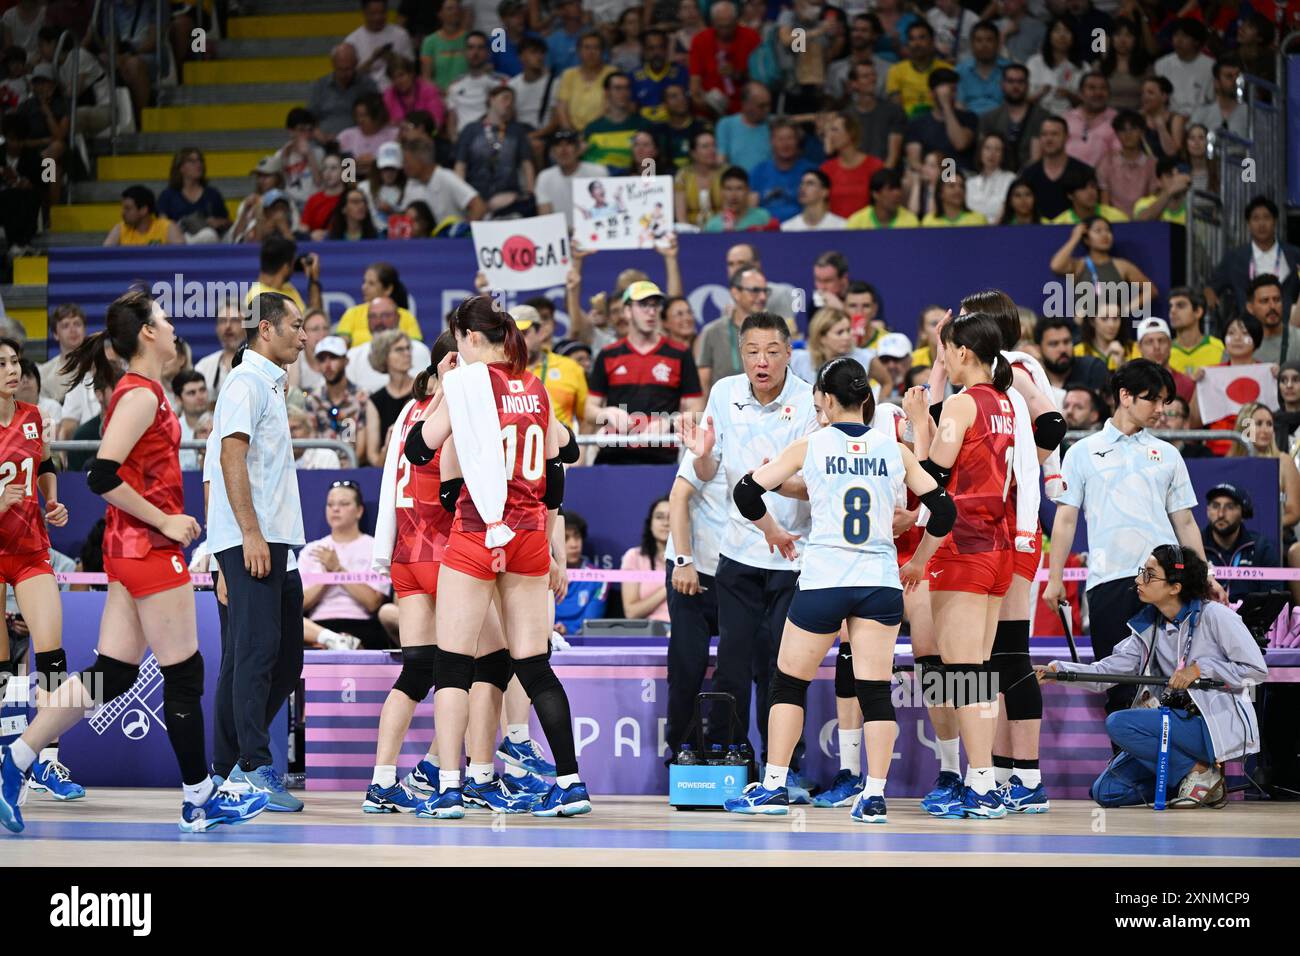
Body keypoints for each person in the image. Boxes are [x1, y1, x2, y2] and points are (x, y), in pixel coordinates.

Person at [0, 293, 268, 836]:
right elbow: (101, 475)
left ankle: (16, 762)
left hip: (132, 548)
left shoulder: (147, 392)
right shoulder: (139, 396)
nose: (173, 328)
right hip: (146, 548)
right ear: (147, 333)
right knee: (184, 672)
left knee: (113, 674)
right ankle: (199, 800)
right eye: (165, 321)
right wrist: (166, 521)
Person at [723, 356, 956, 820]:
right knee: (874, 692)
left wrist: (773, 532)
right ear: (867, 399)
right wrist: (917, 562)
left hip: (825, 579)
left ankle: (772, 786)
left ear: (827, 401)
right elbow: (944, 509)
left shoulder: (810, 444)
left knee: (788, 684)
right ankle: (873, 795)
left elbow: (746, 491)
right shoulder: (896, 449)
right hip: (878, 582)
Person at [405, 295, 590, 818]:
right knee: (532, 665)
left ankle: (447, 790)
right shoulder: (535, 387)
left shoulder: (465, 384)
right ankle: (571, 782)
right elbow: (563, 458)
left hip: (477, 531)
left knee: (454, 664)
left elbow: (420, 448)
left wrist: (442, 392)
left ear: (466, 338)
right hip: (529, 533)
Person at [1044, 360, 1226, 720]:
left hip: (1167, 584)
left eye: (1164, 401)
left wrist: (1204, 575)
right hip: (1108, 582)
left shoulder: (1168, 454)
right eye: (1152, 400)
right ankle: (1127, 775)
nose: (1161, 409)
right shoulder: (1081, 451)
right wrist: (1054, 580)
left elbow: (1185, 521)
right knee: (1118, 687)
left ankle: (1170, 775)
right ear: (1124, 396)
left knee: (1169, 686)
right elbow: (1065, 519)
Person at [681, 312, 819, 781]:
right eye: (753, 352)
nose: (762, 362)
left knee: (784, 669)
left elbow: (812, 485)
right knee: (733, 669)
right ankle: (729, 760)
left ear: (789, 354)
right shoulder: (722, 392)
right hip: (736, 554)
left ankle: (787, 770)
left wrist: (771, 482)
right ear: (741, 353)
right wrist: (701, 455)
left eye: (773, 352)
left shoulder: (808, 401)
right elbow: (706, 474)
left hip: (793, 558)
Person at [1039, 546, 1266, 809]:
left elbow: (1255, 669)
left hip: (1210, 725)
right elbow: (1106, 673)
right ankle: (1191, 779)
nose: (1138, 581)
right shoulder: (1147, 626)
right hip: (1172, 724)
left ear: (1175, 587)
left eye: (1149, 574)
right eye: (1141, 573)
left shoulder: (1216, 615)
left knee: (1118, 723)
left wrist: (1201, 669)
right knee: (1107, 792)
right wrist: (1058, 672)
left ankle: (1200, 772)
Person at [903, 311, 1016, 818]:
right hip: (999, 550)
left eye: (946, 351)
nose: (943, 360)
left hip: (963, 548)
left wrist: (916, 427)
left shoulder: (964, 404)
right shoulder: (1005, 402)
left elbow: (931, 475)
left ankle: (985, 787)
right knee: (976, 675)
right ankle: (980, 781)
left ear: (963, 353)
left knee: (964, 675)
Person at [207, 292, 308, 811]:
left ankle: (228, 765)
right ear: (265, 329)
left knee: (287, 658)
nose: (304, 335)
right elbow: (229, 457)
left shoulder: (266, 383)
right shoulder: (245, 384)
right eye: (296, 325)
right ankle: (249, 766)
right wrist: (247, 534)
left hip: (278, 541)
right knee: (256, 652)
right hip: (255, 538)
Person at [0, 336, 81, 803]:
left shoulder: (31, 418)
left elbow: (45, 464)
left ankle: (45, 761)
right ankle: (6, 756)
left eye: (15, 361)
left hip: (32, 550)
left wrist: (50, 499)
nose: (13, 370)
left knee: (50, 655)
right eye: (3, 363)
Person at [587, 281, 703, 465]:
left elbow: (697, 408)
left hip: (663, 455)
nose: (651, 311)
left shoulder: (679, 353)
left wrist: (670, 422)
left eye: (655, 305)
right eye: (643, 305)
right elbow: (589, 410)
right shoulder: (608, 354)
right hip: (615, 454)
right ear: (627, 311)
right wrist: (607, 413)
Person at [664, 448, 727, 759]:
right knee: (687, 664)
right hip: (691, 567)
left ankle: (723, 747)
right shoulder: (710, 443)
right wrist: (683, 560)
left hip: (738, 569)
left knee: (733, 669)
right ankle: (681, 750)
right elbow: (678, 497)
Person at [300, 480, 392, 651]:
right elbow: (300, 603)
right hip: (316, 627)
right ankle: (335, 640)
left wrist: (338, 570)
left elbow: (373, 602)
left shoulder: (375, 548)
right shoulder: (311, 550)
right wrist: (328, 577)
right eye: (330, 504)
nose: (335, 509)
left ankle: (337, 642)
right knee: (288, 619)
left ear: (359, 511)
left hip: (361, 624)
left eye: (344, 504)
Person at [1207, 197, 1300, 322]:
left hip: (1288, 329)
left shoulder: (1294, 255)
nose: (1261, 224)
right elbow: (1212, 287)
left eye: (1266, 217)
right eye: (1255, 218)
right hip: (1249, 330)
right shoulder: (1234, 258)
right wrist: (1209, 295)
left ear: (1275, 221)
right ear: (1248, 224)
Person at [1049, 217, 1155, 316]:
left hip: (1112, 327)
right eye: (1098, 231)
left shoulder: (1122, 265)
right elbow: (1056, 266)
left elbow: (1150, 290)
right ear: (1086, 239)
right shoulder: (1079, 265)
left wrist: (1124, 311)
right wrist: (1075, 238)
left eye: (1108, 230)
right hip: (1084, 330)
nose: (1104, 235)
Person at [1200, 484, 1280, 601]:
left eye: (1230, 507)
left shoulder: (1262, 548)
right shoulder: (1195, 546)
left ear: (1243, 513)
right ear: (1207, 510)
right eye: (1215, 506)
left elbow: (1274, 599)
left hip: (1250, 617)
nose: (1221, 514)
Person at [1228, 403, 1300, 531]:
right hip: (1234, 536)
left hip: (1276, 536)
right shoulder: (1229, 463)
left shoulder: (1284, 461)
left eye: (1269, 424)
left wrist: (1265, 527)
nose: (1265, 430)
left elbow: (1294, 513)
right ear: (1243, 428)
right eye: (1259, 423)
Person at [346, 297, 433, 396]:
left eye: (385, 315)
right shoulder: (353, 355)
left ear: (398, 317)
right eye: (373, 316)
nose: (378, 322)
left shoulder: (419, 351)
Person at [688, 1, 760, 118]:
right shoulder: (700, 40)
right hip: (709, 110)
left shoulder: (751, 37)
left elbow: (760, 80)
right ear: (712, 23)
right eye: (720, 26)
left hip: (745, 109)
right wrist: (709, 107)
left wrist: (737, 75)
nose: (725, 30)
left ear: (736, 21)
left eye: (729, 26)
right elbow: (695, 85)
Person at [1016, 115, 1093, 221]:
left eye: (1054, 134)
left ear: (1066, 137)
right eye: (1044, 134)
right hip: (1037, 233)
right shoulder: (1028, 174)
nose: (1049, 139)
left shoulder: (1084, 171)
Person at [977, 63, 1049, 170]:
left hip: (1030, 178)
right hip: (997, 177)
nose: (1015, 86)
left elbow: (1038, 158)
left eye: (1020, 82)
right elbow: (982, 156)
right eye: (1010, 81)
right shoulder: (989, 119)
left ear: (1027, 85)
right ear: (1002, 84)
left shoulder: (1042, 117)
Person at [398, 137, 486, 224]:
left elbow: (479, 207)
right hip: (423, 237)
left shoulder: (446, 177)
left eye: (406, 161)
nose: (403, 166)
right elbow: (404, 217)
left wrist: (464, 232)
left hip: (449, 236)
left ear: (420, 160)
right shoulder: (411, 183)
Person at [902, 68, 977, 170]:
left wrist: (946, 106)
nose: (950, 95)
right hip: (932, 178)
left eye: (953, 90)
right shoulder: (917, 124)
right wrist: (937, 178)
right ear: (932, 93)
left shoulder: (969, 118)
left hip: (962, 178)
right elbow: (915, 163)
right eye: (945, 92)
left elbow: (960, 144)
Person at [157, 148, 230, 244]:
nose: (198, 164)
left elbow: (228, 222)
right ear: (181, 168)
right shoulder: (168, 195)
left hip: (210, 240)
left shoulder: (212, 194)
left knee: (209, 235)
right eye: (192, 161)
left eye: (200, 160)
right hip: (180, 241)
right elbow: (163, 225)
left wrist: (217, 222)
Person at [581, 71, 650, 172]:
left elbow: (653, 161)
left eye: (627, 88)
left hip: (634, 183)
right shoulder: (592, 128)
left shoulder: (643, 125)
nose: (623, 93)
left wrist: (647, 180)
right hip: (600, 185)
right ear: (607, 92)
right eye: (618, 88)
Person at [820, 110, 883, 220]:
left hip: (865, 230)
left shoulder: (874, 166)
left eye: (835, 130)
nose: (830, 136)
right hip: (835, 232)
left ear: (850, 133)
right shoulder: (826, 169)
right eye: (829, 131)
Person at [749, 119, 814, 225]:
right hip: (766, 231)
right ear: (771, 142)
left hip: (801, 231)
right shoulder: (758, 171)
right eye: (780, 139)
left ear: (798, 141)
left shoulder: (811, 171)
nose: (785, 144)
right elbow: (751, 210)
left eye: (790, 138)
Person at [310, 43, 381, 140]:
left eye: (348, 69)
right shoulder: (320, 86)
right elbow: (310, 119)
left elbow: (378, 117)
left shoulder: (368, 85)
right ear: (333, 64)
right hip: (325, 142)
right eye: (340, 69)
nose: (344, 74)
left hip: (359, 142)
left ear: (356, 64)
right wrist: (317, 133)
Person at [1098, 111, 1159, 220]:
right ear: (1116, 134)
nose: (1128, 134)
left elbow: (1152, 200)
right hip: (1114, 223)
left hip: (1144, 222)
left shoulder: (1152, 164)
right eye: (1122, 130)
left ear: (1142, 132)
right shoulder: (1107, 162)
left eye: (1133, 129)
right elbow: (1105, 206)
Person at [555, 510, 607, 635]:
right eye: (565, 538)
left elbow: (591, 620)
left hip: (583, 642)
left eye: (577, 536)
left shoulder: (600, 578)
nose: (574, 544)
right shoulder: (543, 575)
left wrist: (568, 630)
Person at [886, 20, 951, 119]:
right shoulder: (896, 71)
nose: (917, 43)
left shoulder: (947, 70)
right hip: (907, 126)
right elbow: (896, 109)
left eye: (922, 38)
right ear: (907, 44)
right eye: (912, 39)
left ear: (932, 42)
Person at [620, 496, 671, 622]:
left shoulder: (694, 559)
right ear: (650, 524)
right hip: (651, 631)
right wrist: (669, 586)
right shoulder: (634, 557)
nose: (666, 523)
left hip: (686, 629)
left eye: (672, 517)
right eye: (659, 517)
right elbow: (631, 612)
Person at [346, 0, 415, 92]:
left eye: (382, 13)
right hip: (365, 93)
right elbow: (350, 77)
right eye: (373, 14)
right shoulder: (352, 40)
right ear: (364, 13)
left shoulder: (401, 35)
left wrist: (392, 58)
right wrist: (372, 59)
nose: (377, 17)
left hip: (397, 92)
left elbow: (410, 70)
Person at [555, 30, 615, 134]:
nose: (591, 52)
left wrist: (588, 133)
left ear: (603, 51)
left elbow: (610, 108)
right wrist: (570, 132)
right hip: (571, 133)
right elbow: (562, 108)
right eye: (586, 47)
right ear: (578, 51)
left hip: (602, 132)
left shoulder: (612, 73)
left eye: (596, 48)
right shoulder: (568, 74)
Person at [1153, 17, 1214, 117]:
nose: (1178, 40)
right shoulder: (1161, 64)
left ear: (1196, 41)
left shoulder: (1211, 66)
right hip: (1169, 117)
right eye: (1176, 35)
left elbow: (1211, 101)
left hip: (1200, 119)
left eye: (1185, 36)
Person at [1025, 17, 1084, 117]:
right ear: (1049, 35)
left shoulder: (1083, 67)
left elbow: (1088, 103)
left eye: (1067, 31)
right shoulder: (1034, 62)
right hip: (1036, 116)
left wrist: (1069, 95)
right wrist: (1040, 93)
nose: (1062, 35)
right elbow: (1022, 99)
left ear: (1074, 36)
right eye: (1057, 30)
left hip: (1072, 118)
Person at [1063, 73, 1119, 169]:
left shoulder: (1117, 120)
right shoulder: (1066, 118)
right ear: (1080, 93)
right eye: (1092, 88)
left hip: (1102, 179)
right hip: (1066, 177)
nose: (1098, 93)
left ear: (1109, 93)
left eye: (1103, 88)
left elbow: (1119, 156)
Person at [194, 302, 245, 405]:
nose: (228, 326)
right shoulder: (203, 367)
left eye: (235, 320)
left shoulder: (260, 364)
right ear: (216, 328)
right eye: (222, 321)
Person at [954, 18, 1008, 116]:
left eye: (989, 40)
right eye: (979, 40)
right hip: (968, 123)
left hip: (1001, 123)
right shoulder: (960, 70)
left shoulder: (1009, 70)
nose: (984, 45)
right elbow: (959, 105)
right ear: (971, 44)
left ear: (998, 44)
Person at [715, 82, 772, 173]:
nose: (767, 109)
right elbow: (721, 160)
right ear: (745, 104)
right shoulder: (726, 124)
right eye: (762, 106)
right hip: (736, 182)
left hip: (766, 184)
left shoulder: (772, 124)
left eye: (768, 105)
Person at [673, 128, 724, 228]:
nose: (712, 150)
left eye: (714, 146)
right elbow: (681, 217)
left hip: (721, 231)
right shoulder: (683, 176)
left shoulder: (725, 174)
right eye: (705, 146)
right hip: (691, 234)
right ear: (693, 153)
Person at [1166, 287, 1222, 376]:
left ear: (1198, 312)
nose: (1172, 311)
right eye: (1171, 306)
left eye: (1180, 306)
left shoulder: (1219, 348)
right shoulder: (1165, 351)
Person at [1136, 317, 1194, 402]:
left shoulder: (1186, 384)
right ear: (1139, 347)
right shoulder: (1131, 384)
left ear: (1170, 344)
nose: (1157, 347)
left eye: (1161, 341)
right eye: (1149, 342)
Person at [103, 185, 183, 246]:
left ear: (143, 210)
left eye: (128, 208)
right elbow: (105, 258)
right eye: (123, 208)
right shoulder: (119, 229)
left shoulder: (168, 228)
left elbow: (181, 258)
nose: (123, 213)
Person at [38, 303, 85, 404]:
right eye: (65, 326)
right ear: (55, 334)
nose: (73, 330)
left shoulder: (98, 365)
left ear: (84, 330)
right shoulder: (44, 374)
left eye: (77, 324)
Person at [845, 167, 920, 229]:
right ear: (876, 194)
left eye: (898, 189)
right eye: (890, 189)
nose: (897, 194)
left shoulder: (910, 221)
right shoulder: (857, 222)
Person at [383, 53, 446, 128]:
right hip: (399, 137)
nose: (398, 81)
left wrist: (410, 127)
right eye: (393, 78)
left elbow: (437, 122)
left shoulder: (428, 90)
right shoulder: (389, 95)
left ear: (411, 74)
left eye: (401, 75)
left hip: (429, 135)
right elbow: (386, 124)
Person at [964, 131, 1014, 222]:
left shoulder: (1010, 179)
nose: (992, 153)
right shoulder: (970, 183)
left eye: (997, 149)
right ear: (980, 152)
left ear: (1003, 154)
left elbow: (1006, 211)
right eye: (987, 148)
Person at [171, 369, 209, 471]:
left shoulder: (223, 425)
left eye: (202, 390)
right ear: (178, 400)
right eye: (192, 393)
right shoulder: (171, 431)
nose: (199, 396)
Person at [921, 168, 986, 226]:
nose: (958, 190)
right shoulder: (929, 222)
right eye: (951, 186)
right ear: (940, 193)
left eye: (961, 186)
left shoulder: (978, 220)